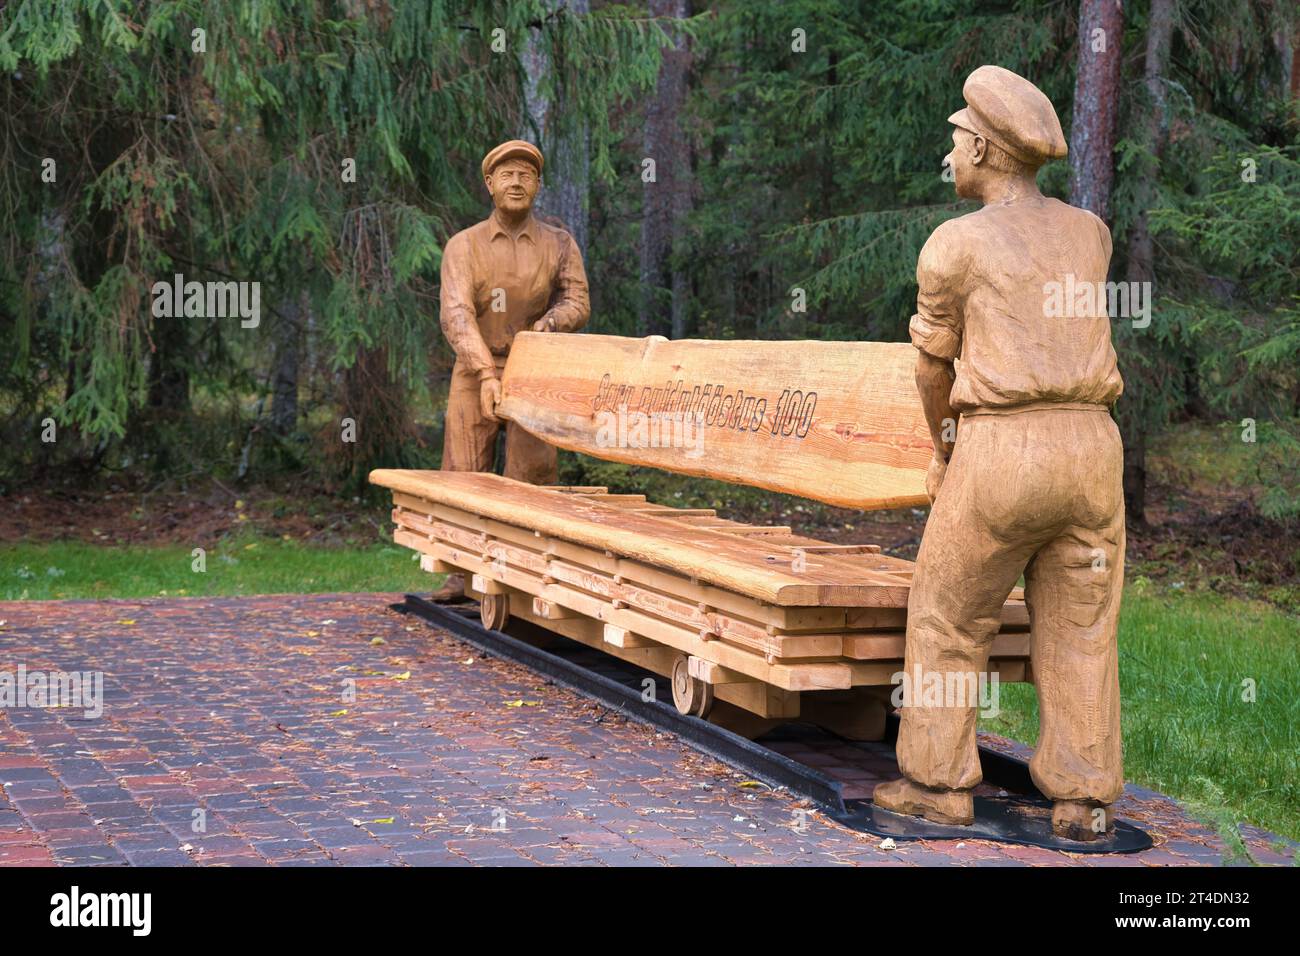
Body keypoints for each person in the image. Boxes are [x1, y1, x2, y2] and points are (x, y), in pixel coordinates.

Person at [872, 65, 1127, 842]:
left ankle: (938, 783)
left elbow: (931, 367)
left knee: (949, 614)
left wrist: (943, 450)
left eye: (955, 142)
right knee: (1083, 628)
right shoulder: (1090, 232)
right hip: (1092, 447)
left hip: (1004, 445)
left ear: (983, 147)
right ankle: (1083, 801)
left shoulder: (956, 245)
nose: (947, 158)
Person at [429, 140, 590, 602]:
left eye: (526, 174)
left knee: (533, 474)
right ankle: (460, 572)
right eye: (506, 175)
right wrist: (484, 373)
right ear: (489, 185)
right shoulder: (464, 246)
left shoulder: (559, 245)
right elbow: (456, 315)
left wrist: (552, 322)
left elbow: (577, 300)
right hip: (474, 368)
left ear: (538, 185)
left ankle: (524, 575)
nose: (516, 182)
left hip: (534, 371)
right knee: (464, 470)